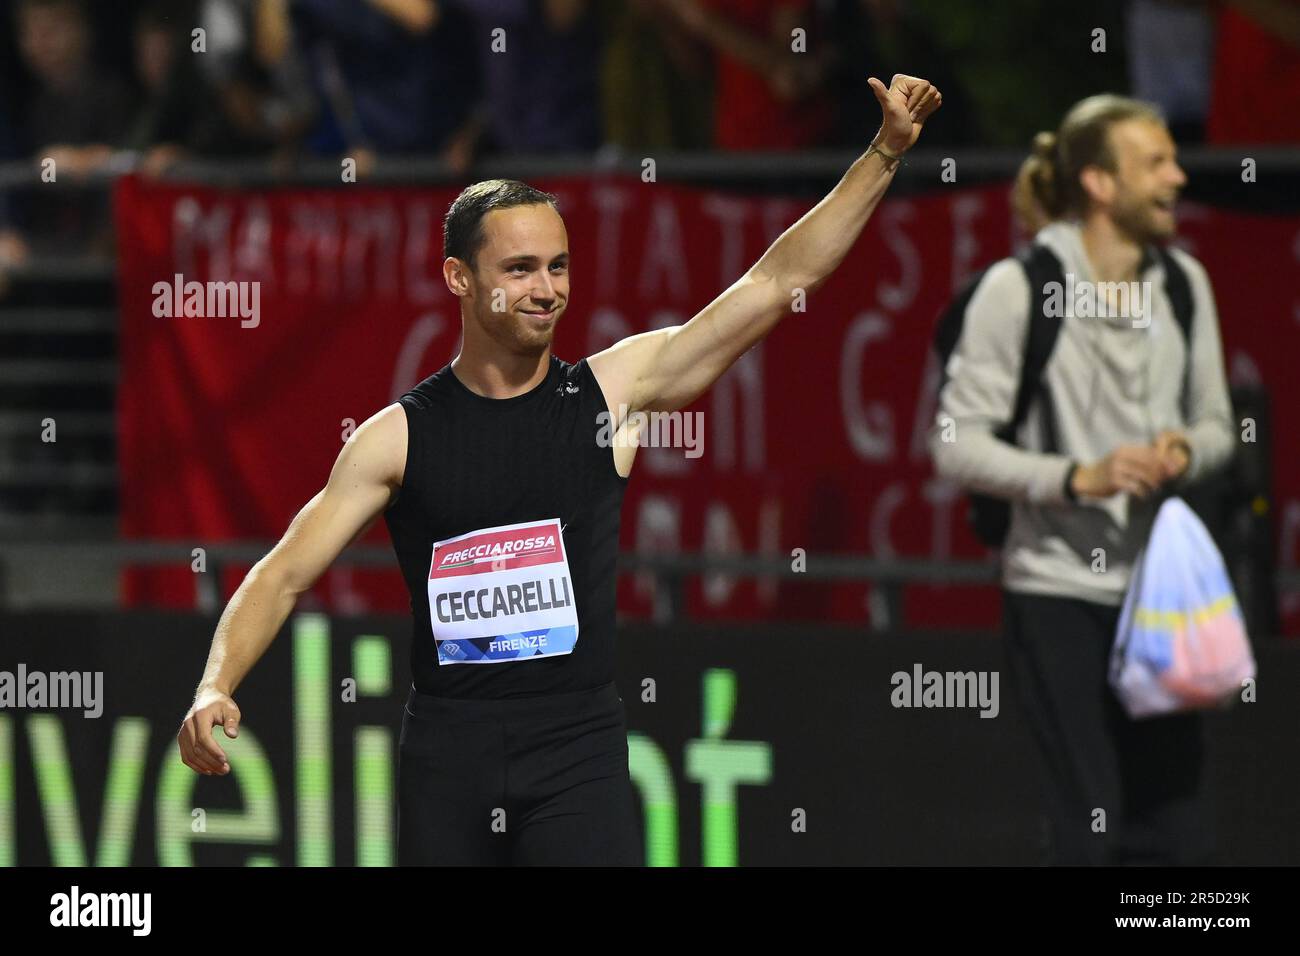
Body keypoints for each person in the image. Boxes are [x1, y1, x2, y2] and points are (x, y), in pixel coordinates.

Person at [177, 73, 943, 865]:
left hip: (577, 749)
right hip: (448, 754)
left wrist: (884, 154)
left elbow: (778, 284)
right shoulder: (394, 439)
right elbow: (283, 574)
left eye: (558, 266)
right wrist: (214, 683)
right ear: (459, 279)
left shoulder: (617, 392)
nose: (546, 291)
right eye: (519, 270)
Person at [929, 94, 1235, 865]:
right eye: (1155, 163)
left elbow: (1219, 428)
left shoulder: (1185, 285)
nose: (1177, 176)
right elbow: (955, 446)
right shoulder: (1017, 287)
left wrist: (1184, 453)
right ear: (1098, 184)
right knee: (1089, 820)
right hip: (1055, 591)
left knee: (1174, 831)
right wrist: (1078, 476)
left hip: (1160, 597)